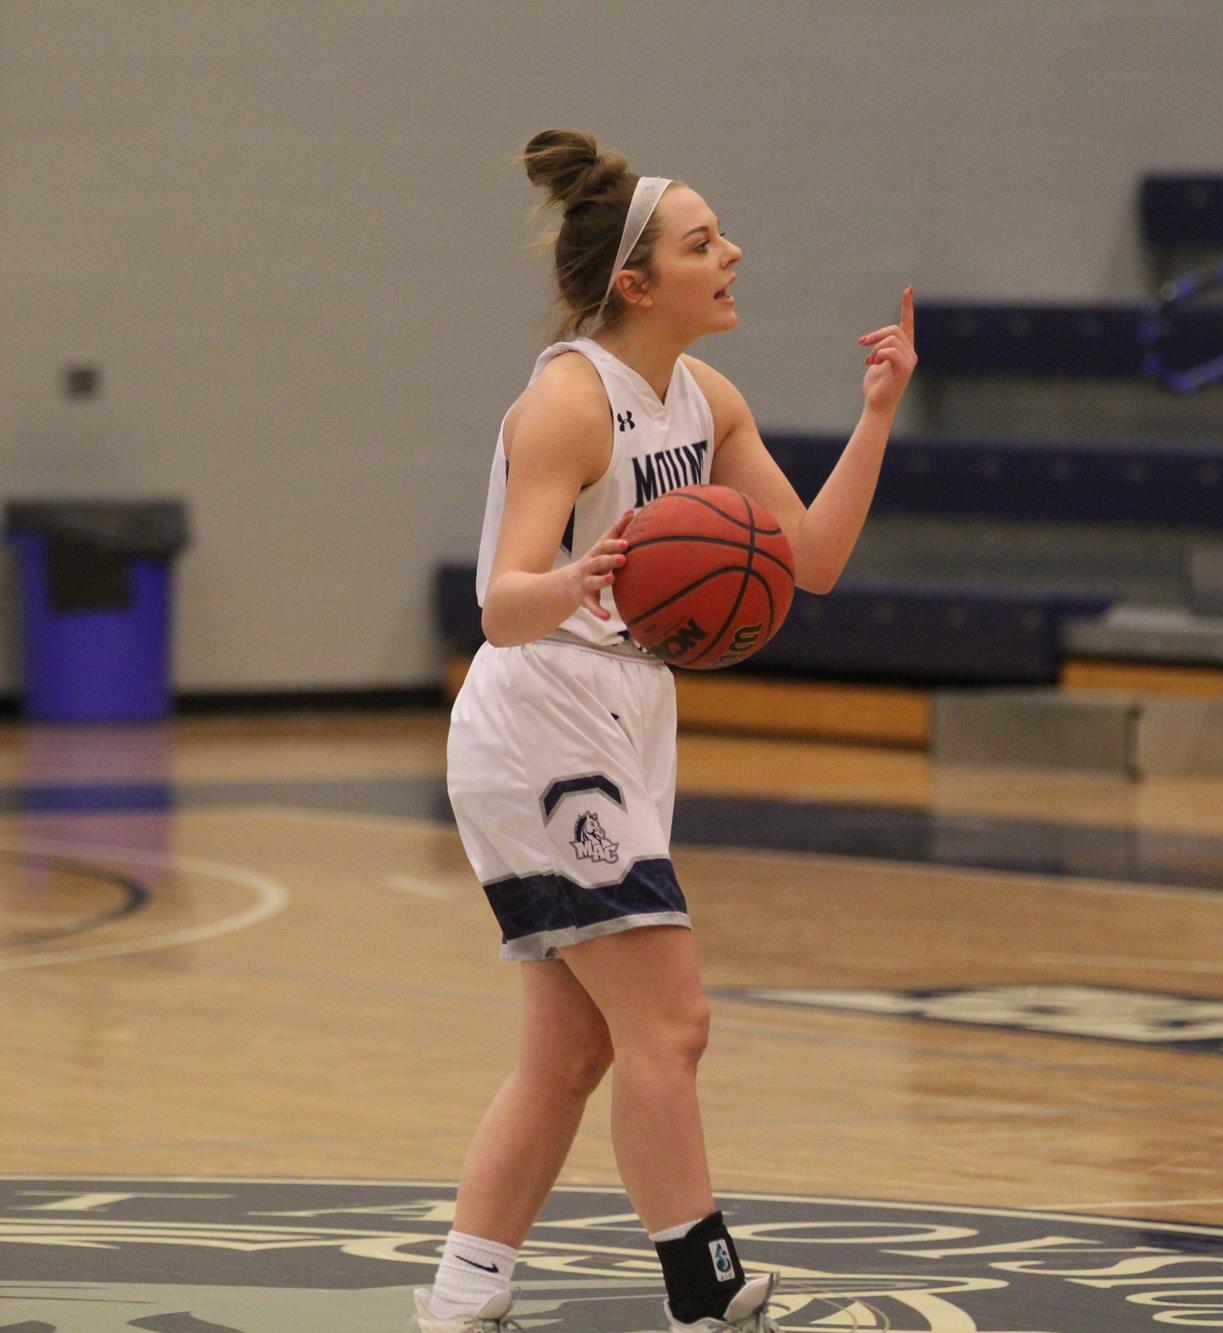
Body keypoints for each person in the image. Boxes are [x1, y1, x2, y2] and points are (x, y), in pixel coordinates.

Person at [419, 128, 916, 1333]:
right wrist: (583, 575)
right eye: (704, 244)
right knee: (672, 1020)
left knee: (572, 1053)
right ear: (635, 285)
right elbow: (500, 599)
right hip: (540, 711)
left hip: (626, 709)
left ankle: (459, 1297)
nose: (731, 253)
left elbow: (811, 562)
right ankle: (706, 1294)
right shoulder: (565, 403)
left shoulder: (703, 399)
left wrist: (876, 412)